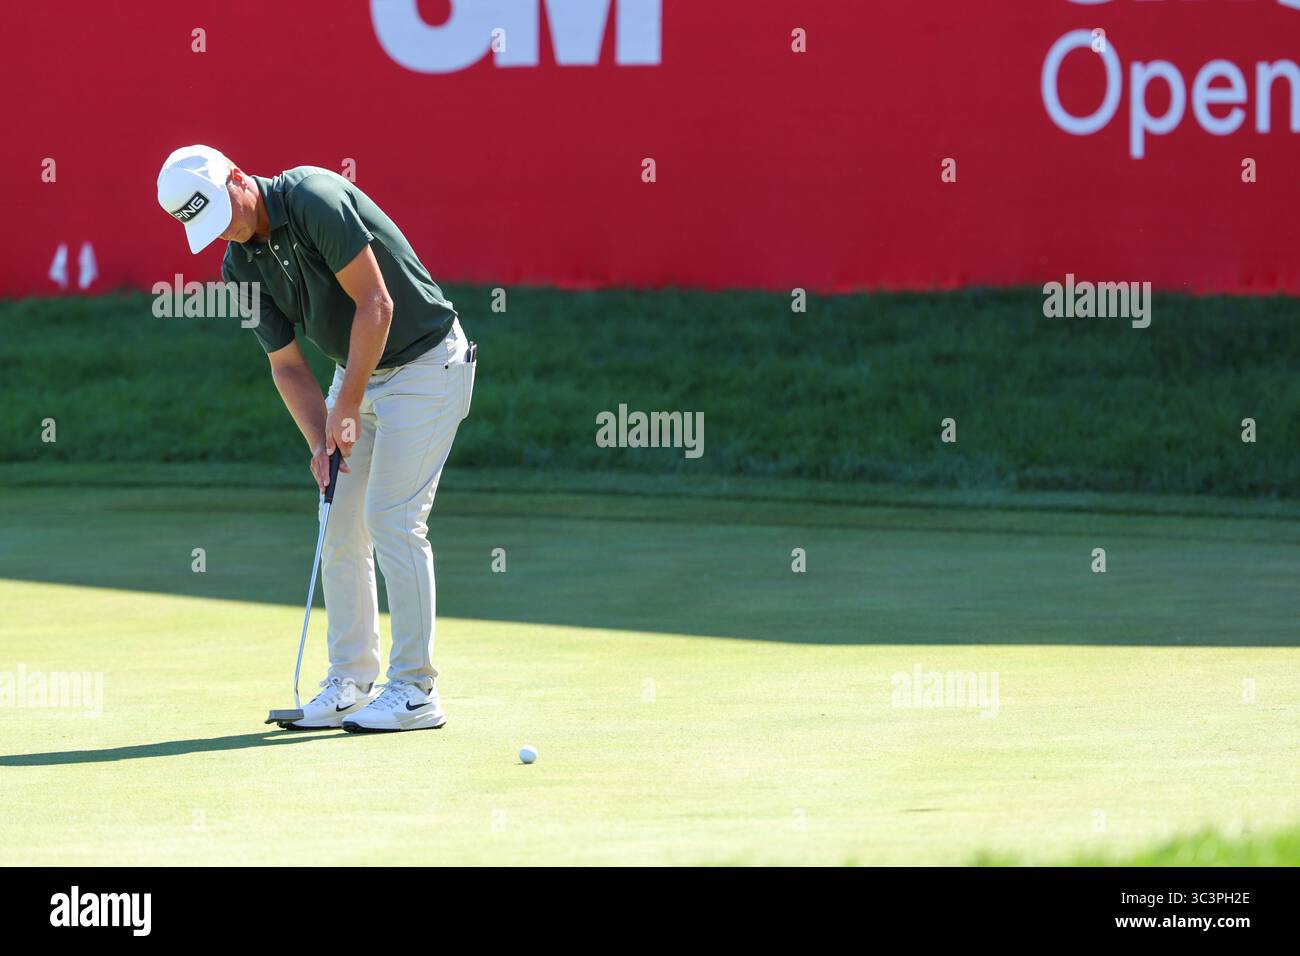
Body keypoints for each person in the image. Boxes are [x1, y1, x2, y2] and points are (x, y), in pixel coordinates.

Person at [156, 145, 475, 732]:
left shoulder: (313, 197)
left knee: (393, 517)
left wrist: (347, 406)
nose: (226, 230)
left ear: (235, 176)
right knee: (339, 521)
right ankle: (352, 680)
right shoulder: (238, 266)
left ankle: (415, 689)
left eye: (223, 212)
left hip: (427, 364)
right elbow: (286, 366)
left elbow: (376, 305)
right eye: (209, 227)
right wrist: (319, 441)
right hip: (358, 371)